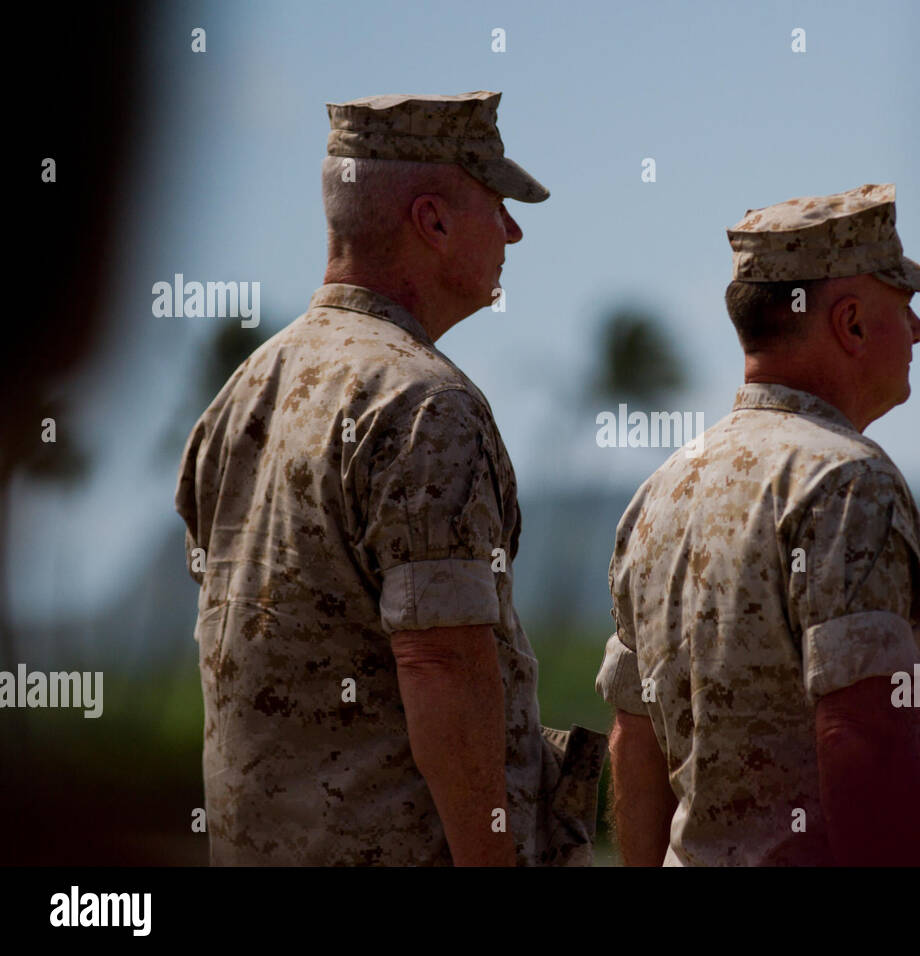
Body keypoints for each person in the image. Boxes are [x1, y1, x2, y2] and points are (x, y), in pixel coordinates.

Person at [175, 91, 605, 866]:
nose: (512, 230)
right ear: (432, 221)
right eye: (496, 203)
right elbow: (440, 663)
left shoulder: (244, 391)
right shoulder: (420, 404)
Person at [596, 184, 920, 866]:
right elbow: (855, 734)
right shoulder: (847, 481)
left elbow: (634, 741)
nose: (918, 331)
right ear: (850, 323)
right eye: (905, 307)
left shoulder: (659, 492)